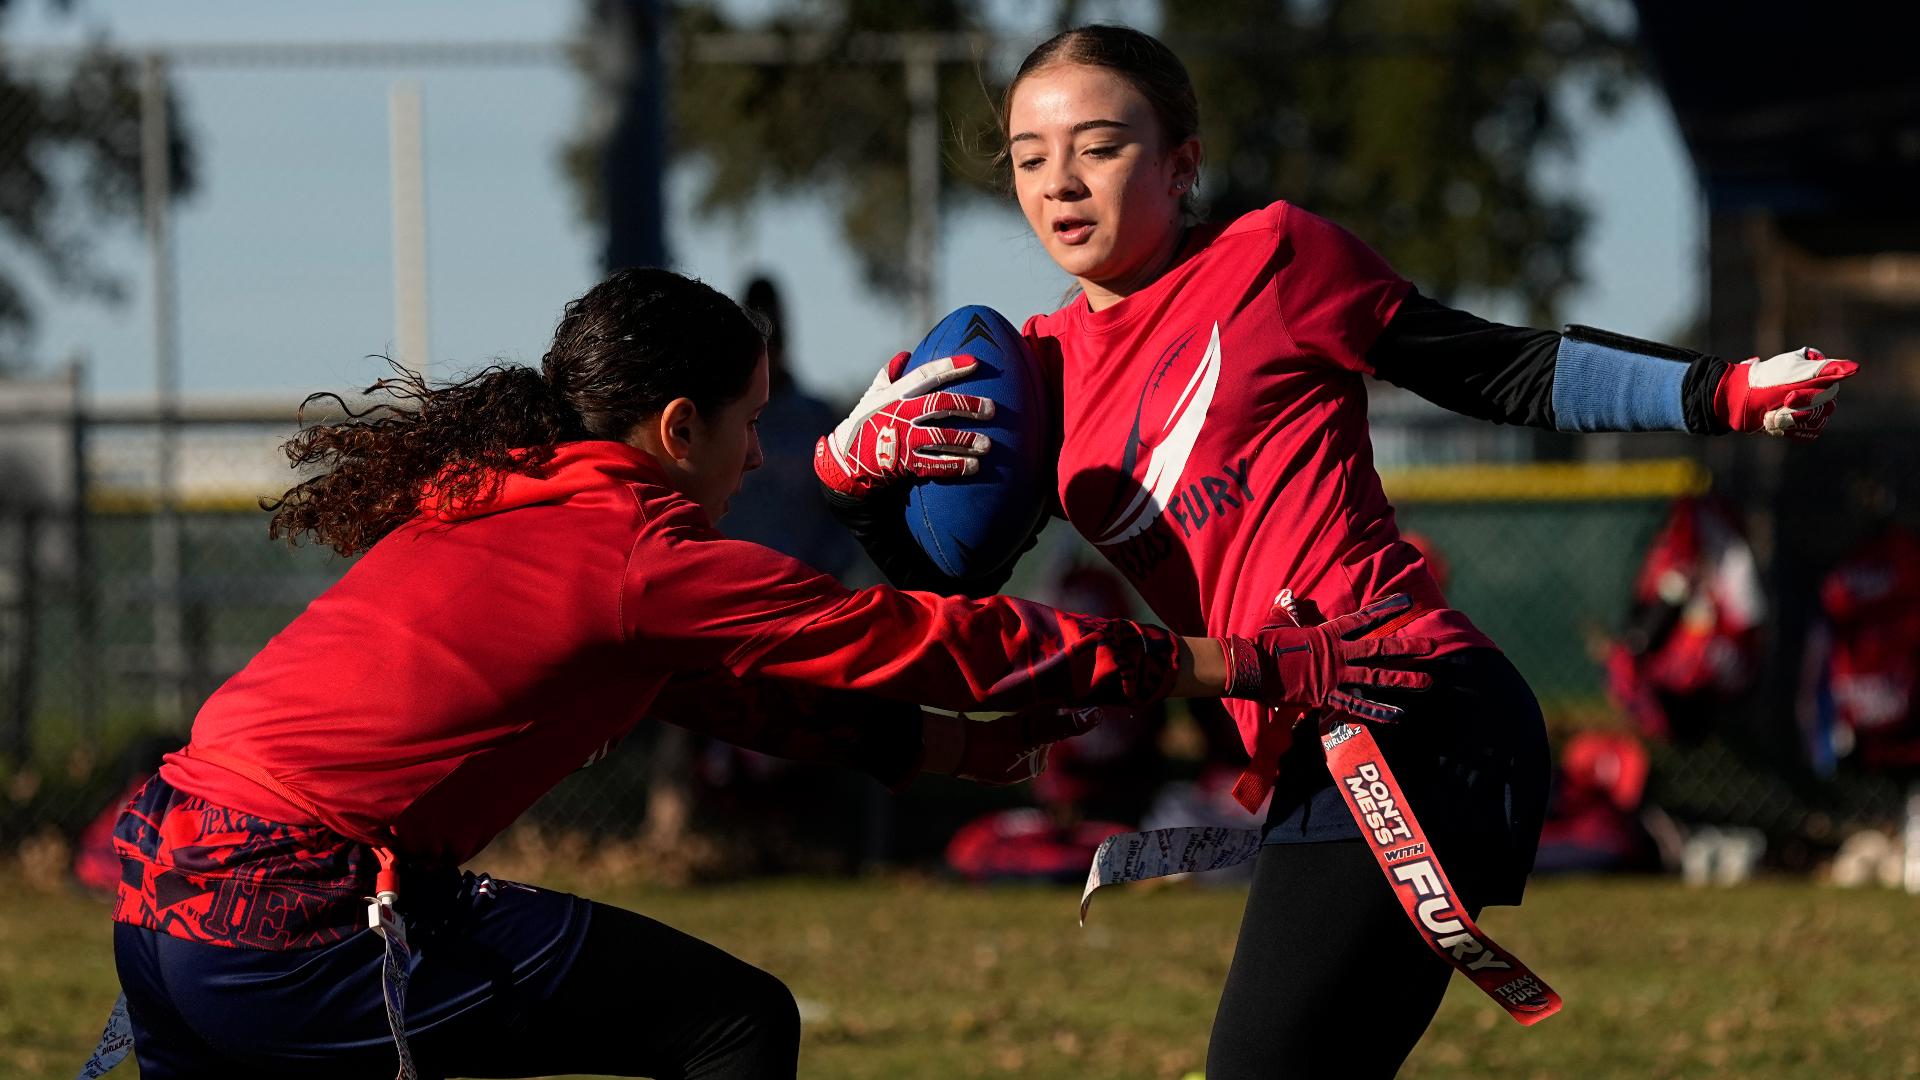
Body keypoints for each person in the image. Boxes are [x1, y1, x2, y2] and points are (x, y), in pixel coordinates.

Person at [812, 25, 1860, 1077]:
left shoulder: (1270, 258)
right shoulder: (1034, 373)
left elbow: (1493, 368)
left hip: (1412, 707)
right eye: (1031, 158)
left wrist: (1721, 391)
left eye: (1100, 146)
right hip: (1316, 742)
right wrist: (854, 492)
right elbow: (955, 593)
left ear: (1182, 163)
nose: (1060, 182)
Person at [103, 266, 1419, 1080]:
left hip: (161, 882)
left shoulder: (493, 495)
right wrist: (1227, 659)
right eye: (748, 421)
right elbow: (926, 636)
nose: (762, 455)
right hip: (295, 912)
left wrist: (935, 754)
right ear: (678, 428)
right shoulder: (634, 547)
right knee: (731, 1029)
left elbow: (709, 689)